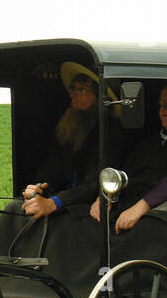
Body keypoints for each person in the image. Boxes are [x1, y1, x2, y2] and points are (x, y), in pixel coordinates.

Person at [21, 62, 121, 219]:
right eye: (73, 89)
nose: (72, 94)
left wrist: (54, 202)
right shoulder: (70, 128)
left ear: (101, 99)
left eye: (81, 90)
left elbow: (95, 184)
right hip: (63, 205)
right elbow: (53, 168)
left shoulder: (112, 133)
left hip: (86, 212)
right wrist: (39, 187)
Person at [91, 83, 167, 232]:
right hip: (128, 202)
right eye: (161, 104)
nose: (163, 110)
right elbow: (126, 172)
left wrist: (140, 208)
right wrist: (106, 196)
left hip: (160, 209)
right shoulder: (148, 142)